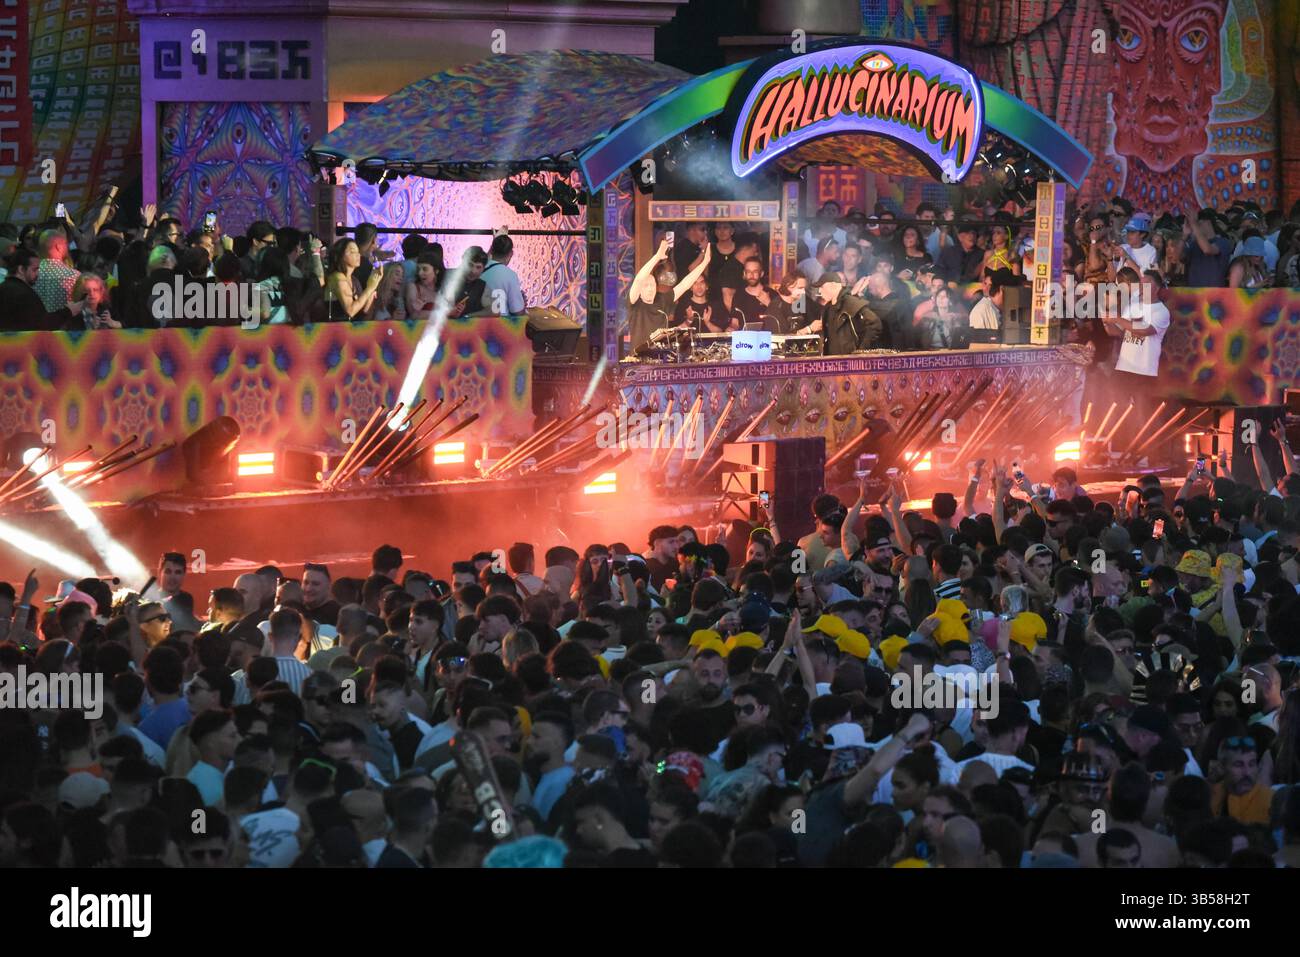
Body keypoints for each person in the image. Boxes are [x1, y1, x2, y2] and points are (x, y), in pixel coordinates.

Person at [806, 272, 883, 355]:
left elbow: (875, 324)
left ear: (833, 285)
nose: (820, 291)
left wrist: (861, 351)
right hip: (833, 360)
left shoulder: (851, 303)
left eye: (821, 287)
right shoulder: (827, 308)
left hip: (850, 361)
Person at [323, 238, 385, 321]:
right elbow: (350, 311)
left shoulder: (354, 280)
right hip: (335, 330)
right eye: (352, 252)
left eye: (358, 252)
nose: (358, 255)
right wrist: (369, 288)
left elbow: (361, 312)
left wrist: (374, 284)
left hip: (352, 330)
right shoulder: (336, 277)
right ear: (340, 255)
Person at [480, 233, 525, 316]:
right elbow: (517, 312)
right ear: (511, 254)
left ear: (492, 250)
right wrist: (523, 303)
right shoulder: (511, 275)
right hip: (502, 326)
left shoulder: (478, 270)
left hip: (478, 325)